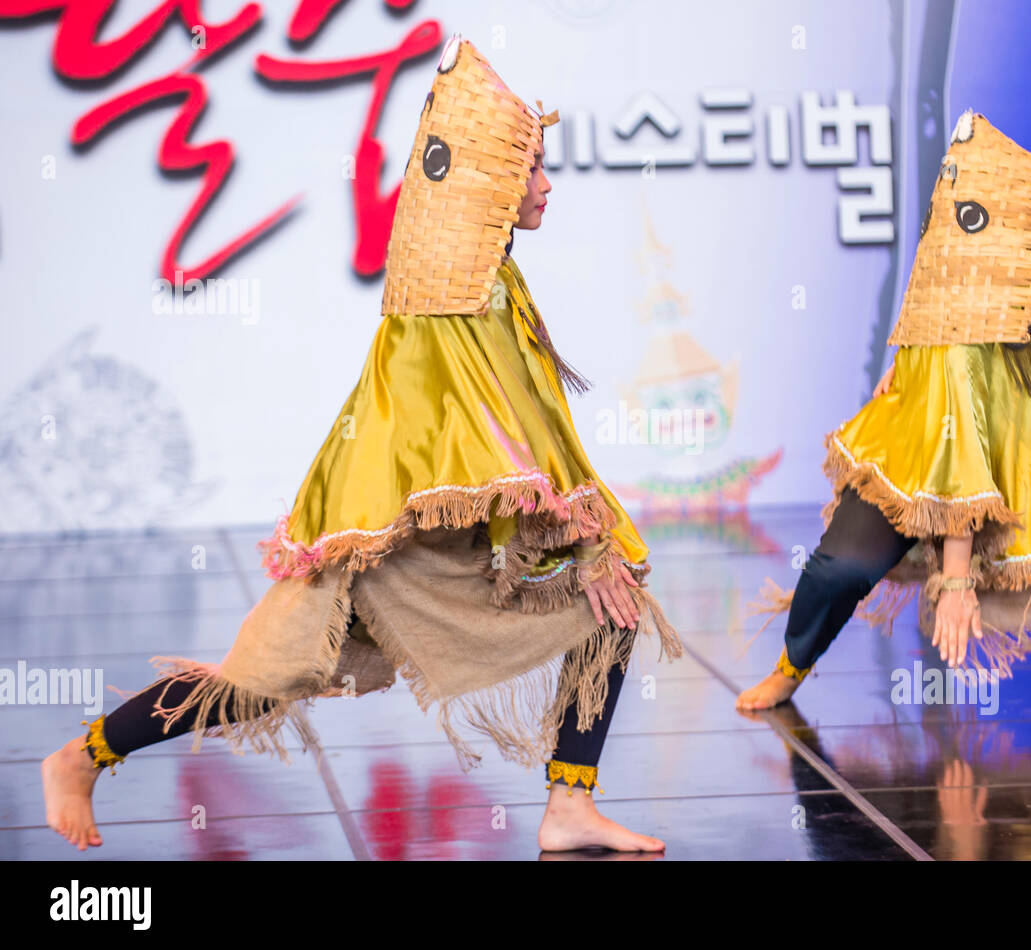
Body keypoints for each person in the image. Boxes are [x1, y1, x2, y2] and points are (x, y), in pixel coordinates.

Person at [42, 35, 681, 853]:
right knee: (257, 682)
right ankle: (83, 755)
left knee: (608, 606)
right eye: (530, 170)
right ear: (484, 186)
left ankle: (568, 809)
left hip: (431, 547)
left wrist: (587, 541)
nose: (546, 185)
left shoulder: (487, 286)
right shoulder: (448, 310)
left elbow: (525, 433)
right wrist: (582, 536)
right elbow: (497, 440)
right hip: (380, 548)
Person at [738, 109, 1031, 711]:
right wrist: (957, 580)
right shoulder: (947, 303)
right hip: (914, 467)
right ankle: (791, 668)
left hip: (1025, 459)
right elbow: (955, 455)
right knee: (840, 570)